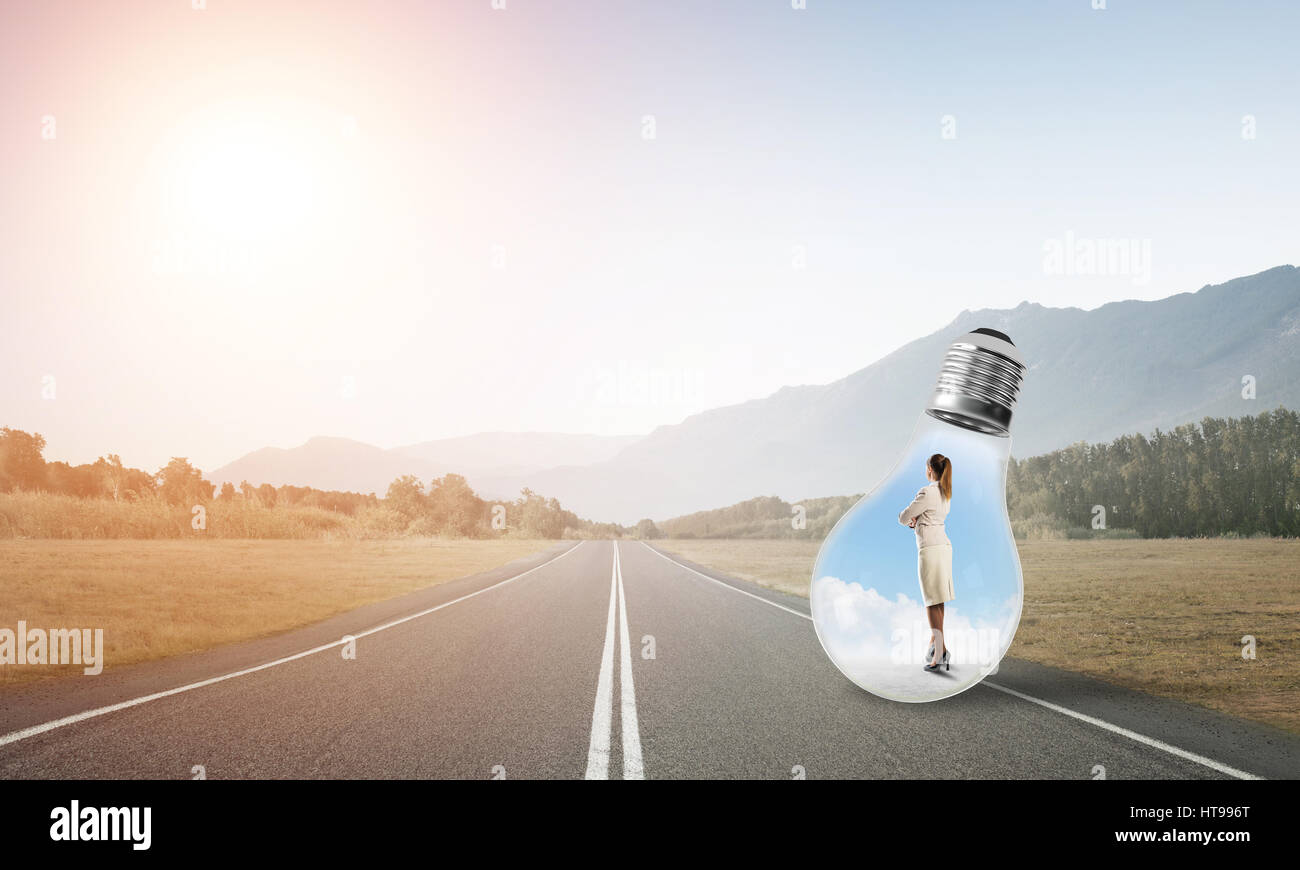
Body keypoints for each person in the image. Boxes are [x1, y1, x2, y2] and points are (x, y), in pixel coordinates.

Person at [898, 453, 954, 672]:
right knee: (939, 599)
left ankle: (939, 652)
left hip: (929, 549)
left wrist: (912, 520)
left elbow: (903, 517)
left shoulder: (927, 491)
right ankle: (938, 645)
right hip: (944, 547)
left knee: (931, 602)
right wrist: (919, 520)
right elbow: (930, 517)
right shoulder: (946, 492)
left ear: (930, 469)